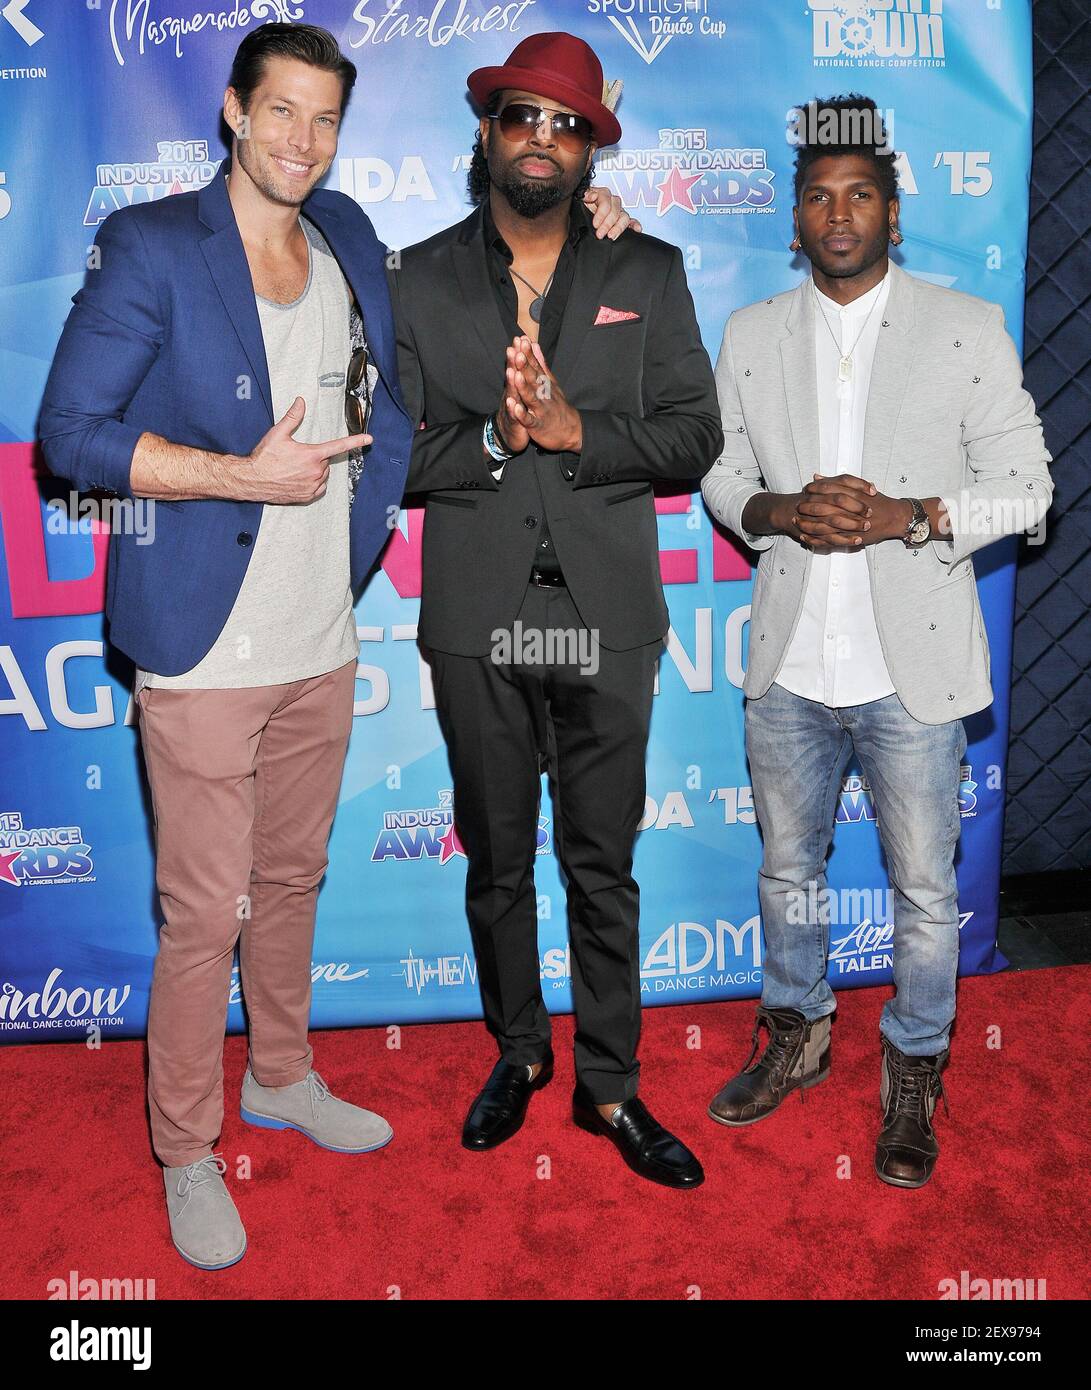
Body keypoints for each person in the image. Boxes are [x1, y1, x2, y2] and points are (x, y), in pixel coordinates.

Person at [38, 24, 640, 1268]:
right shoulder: (152, 246)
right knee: (203, 915)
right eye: (281, 113)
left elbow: (469, 277)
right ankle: (187, 1148)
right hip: (200, 649)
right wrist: (228, 478)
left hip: (321, 637)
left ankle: (283, 1073)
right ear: (231, 111)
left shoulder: (350, 234)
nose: (301, 141)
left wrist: (593, 220)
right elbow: (70, 437)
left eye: (323, 120)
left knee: (296, 882)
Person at [390, 32, 724, 1188]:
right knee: (494, 860)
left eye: (567, 123)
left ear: (593, 148)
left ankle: (611, 1086)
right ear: (483, 134)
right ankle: (520, 1053)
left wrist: (580, 432)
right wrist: (492, 432)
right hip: (477, 621)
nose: (542, 138)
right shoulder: (417, 276)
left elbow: (695, 435)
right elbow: (392, 452)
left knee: (599, 862)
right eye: (520, 116)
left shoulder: (648, 271)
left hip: (605, 617)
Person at [701, 95, 1052, 1188]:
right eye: (816, 196)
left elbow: (1029, 492)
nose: (837, 212)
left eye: (859, 194)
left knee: (922, 893)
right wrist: (774, 513)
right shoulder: (751, 333)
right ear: (792, 219)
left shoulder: (963, 325)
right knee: (786, 873)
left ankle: (914, 1065)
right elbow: (720, 474)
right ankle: (795, 1030)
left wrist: (910, 514)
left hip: (913, 672)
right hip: (788, 667)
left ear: (892, 216)